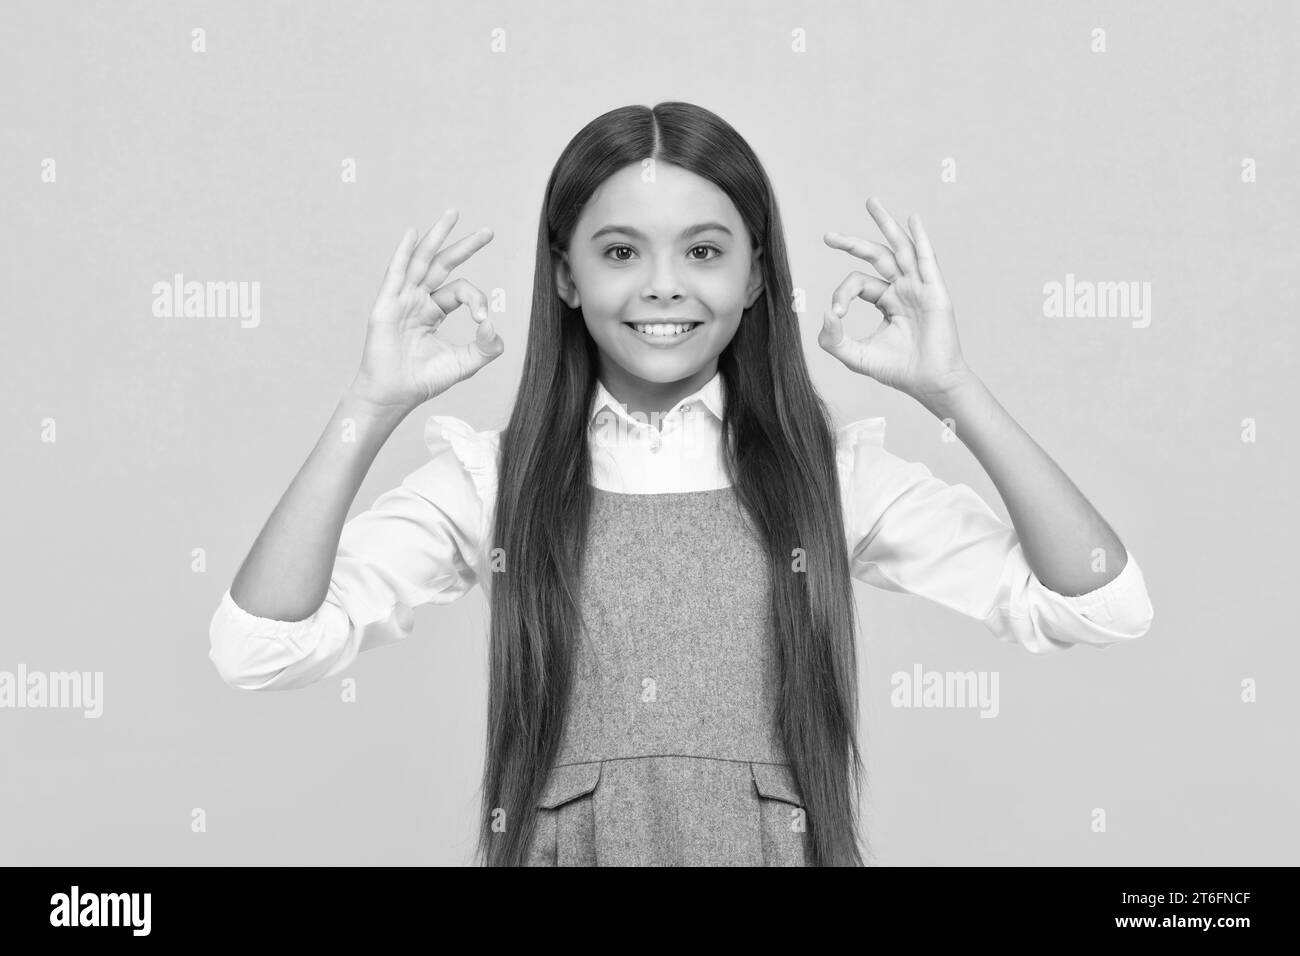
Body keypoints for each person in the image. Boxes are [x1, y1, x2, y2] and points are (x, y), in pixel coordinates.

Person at [208, 101, 1154, 867]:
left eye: (704, 251)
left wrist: (955, 390)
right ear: (566, 277)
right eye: (620, 252)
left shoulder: (830, 482)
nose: (663, 286)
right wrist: (371, 405)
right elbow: (261, 648)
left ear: (753, 279)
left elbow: (1103, 602)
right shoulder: (496, 484)